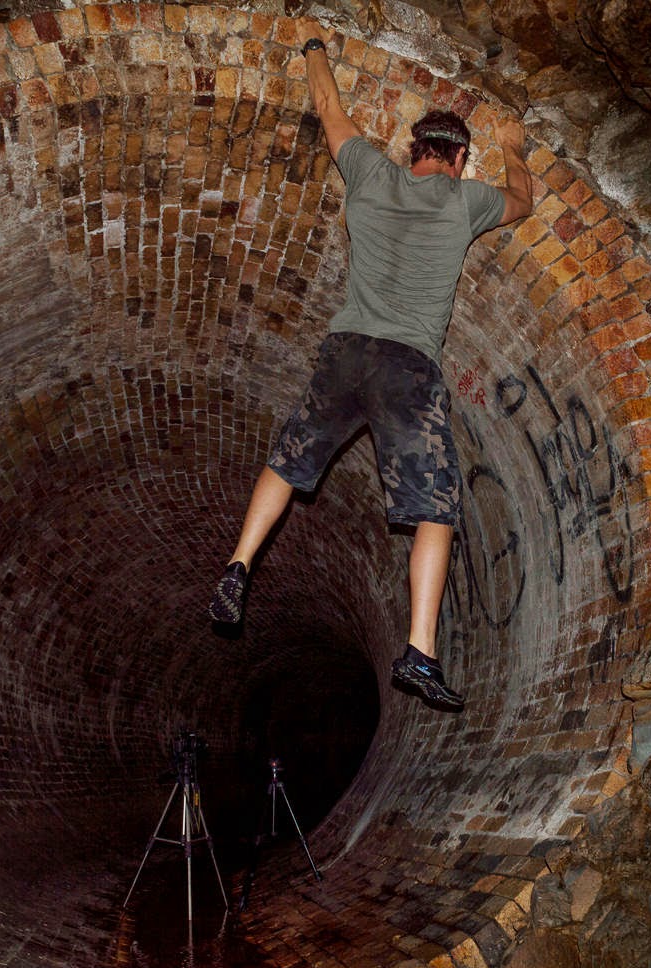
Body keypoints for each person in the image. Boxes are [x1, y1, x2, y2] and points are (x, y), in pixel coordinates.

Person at [208, 17, 534, 709]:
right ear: (457, 159)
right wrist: (514, 153)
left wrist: (315, 46)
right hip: (407, 366)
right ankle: (420, 650)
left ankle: (238, 565)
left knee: (289, 463)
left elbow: (329, 109)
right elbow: (525, 203)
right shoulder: (465, 201)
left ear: (413, 148)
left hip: (345, 351)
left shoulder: (367, 170)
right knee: (435, 509)